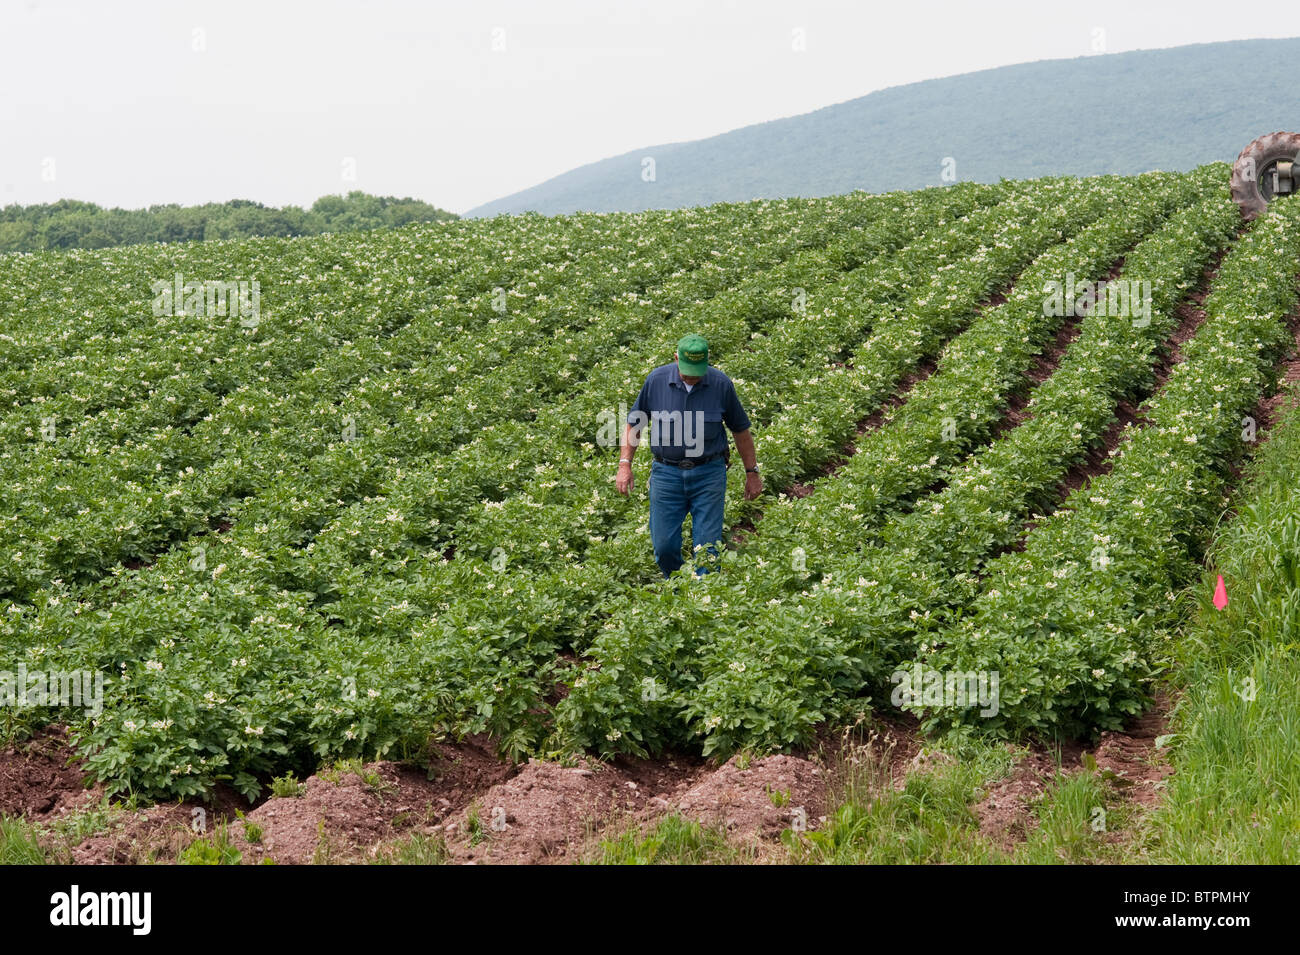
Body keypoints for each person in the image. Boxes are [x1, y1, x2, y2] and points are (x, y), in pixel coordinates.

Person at [615, 333, 761, 577]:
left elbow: (741, 431)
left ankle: (704, 598)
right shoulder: (656, 381)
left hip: (709, 474)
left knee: (707, 548)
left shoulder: (721, 384)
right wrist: (624, 464)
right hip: (666, 474)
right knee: (664, 546)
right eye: (687, 371)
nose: (693, 376)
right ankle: (678, 588)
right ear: (675, 359)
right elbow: (634, 424)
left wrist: (752, 472)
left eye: (698, 370)